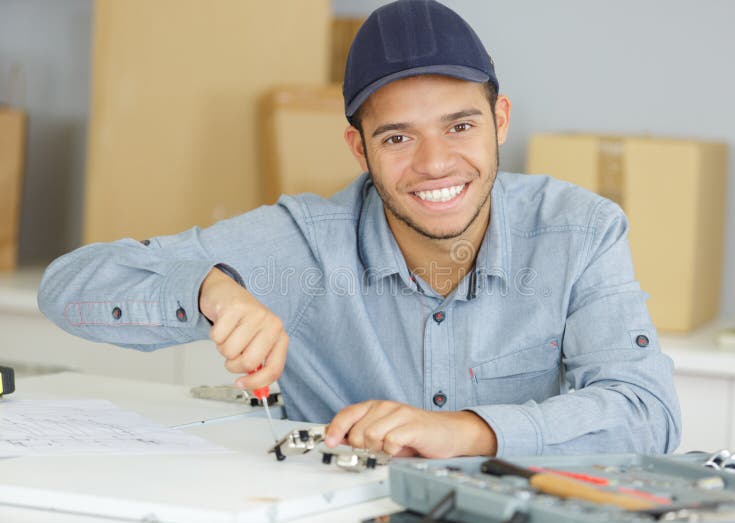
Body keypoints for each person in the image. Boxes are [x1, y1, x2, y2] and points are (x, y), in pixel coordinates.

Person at [38, 0, 681, 458]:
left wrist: (464, 430)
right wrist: (209, 290)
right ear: (358, 148)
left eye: (460, 126)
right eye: (397, 137)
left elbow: (646, 414)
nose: (434, 164)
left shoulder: (579, 231)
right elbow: (66, 287)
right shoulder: (303, 243)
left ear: (500, 119)